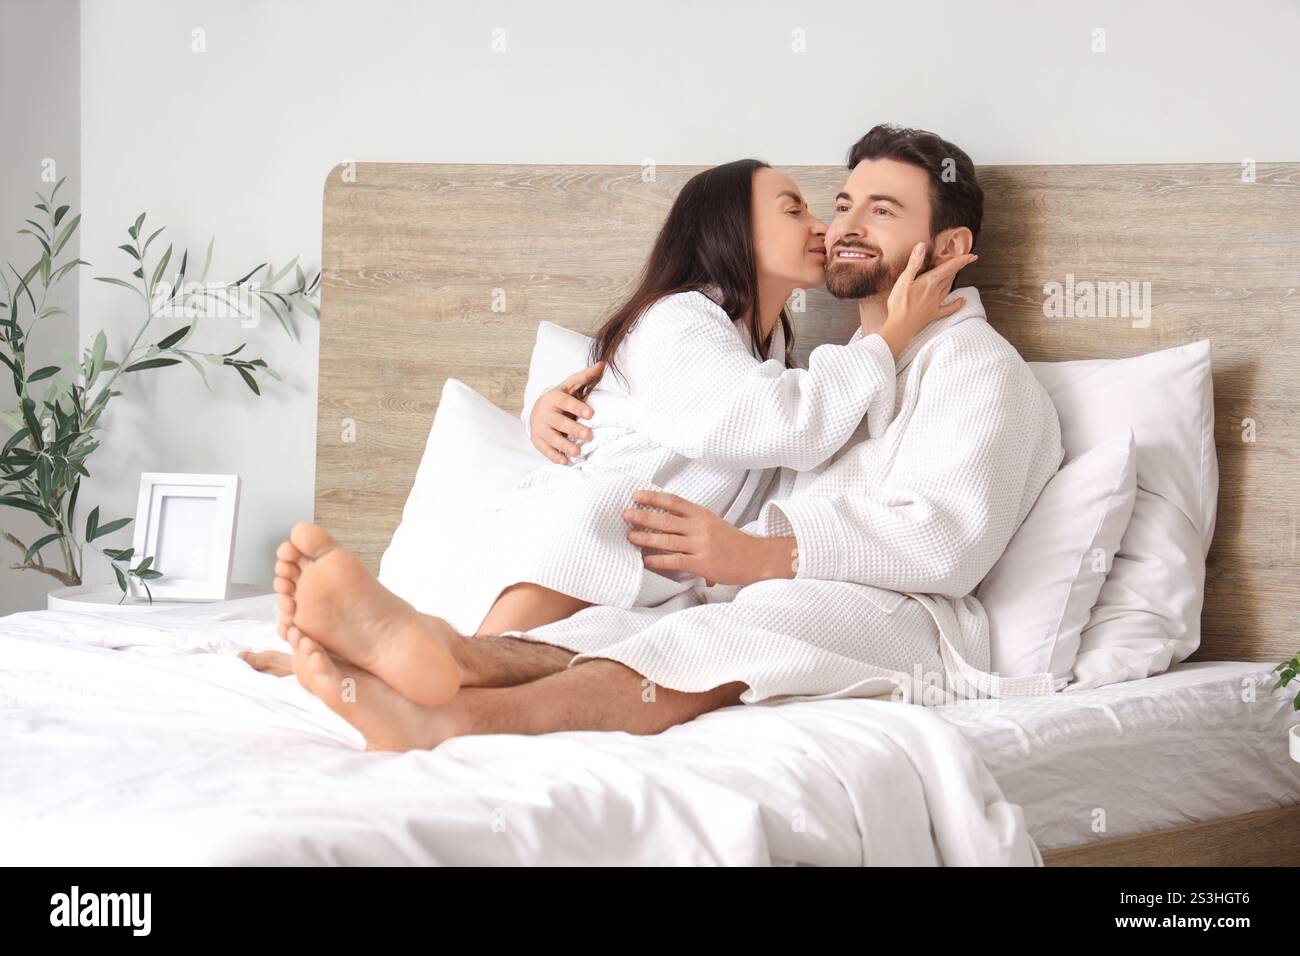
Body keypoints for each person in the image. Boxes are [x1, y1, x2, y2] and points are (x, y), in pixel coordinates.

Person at [242, 125, 1063, 752]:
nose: (840, 224)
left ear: (950, 248)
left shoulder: (982, 371)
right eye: (838, 203)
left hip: (903, 620)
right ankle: (433, 654)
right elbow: (711, 408)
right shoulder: (833, 368)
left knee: (695, 640)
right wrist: (545, 410)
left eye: (881, 211)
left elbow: (944, 544)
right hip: (758, 590)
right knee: (617, 633)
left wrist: (756, 558)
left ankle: (451, 716)